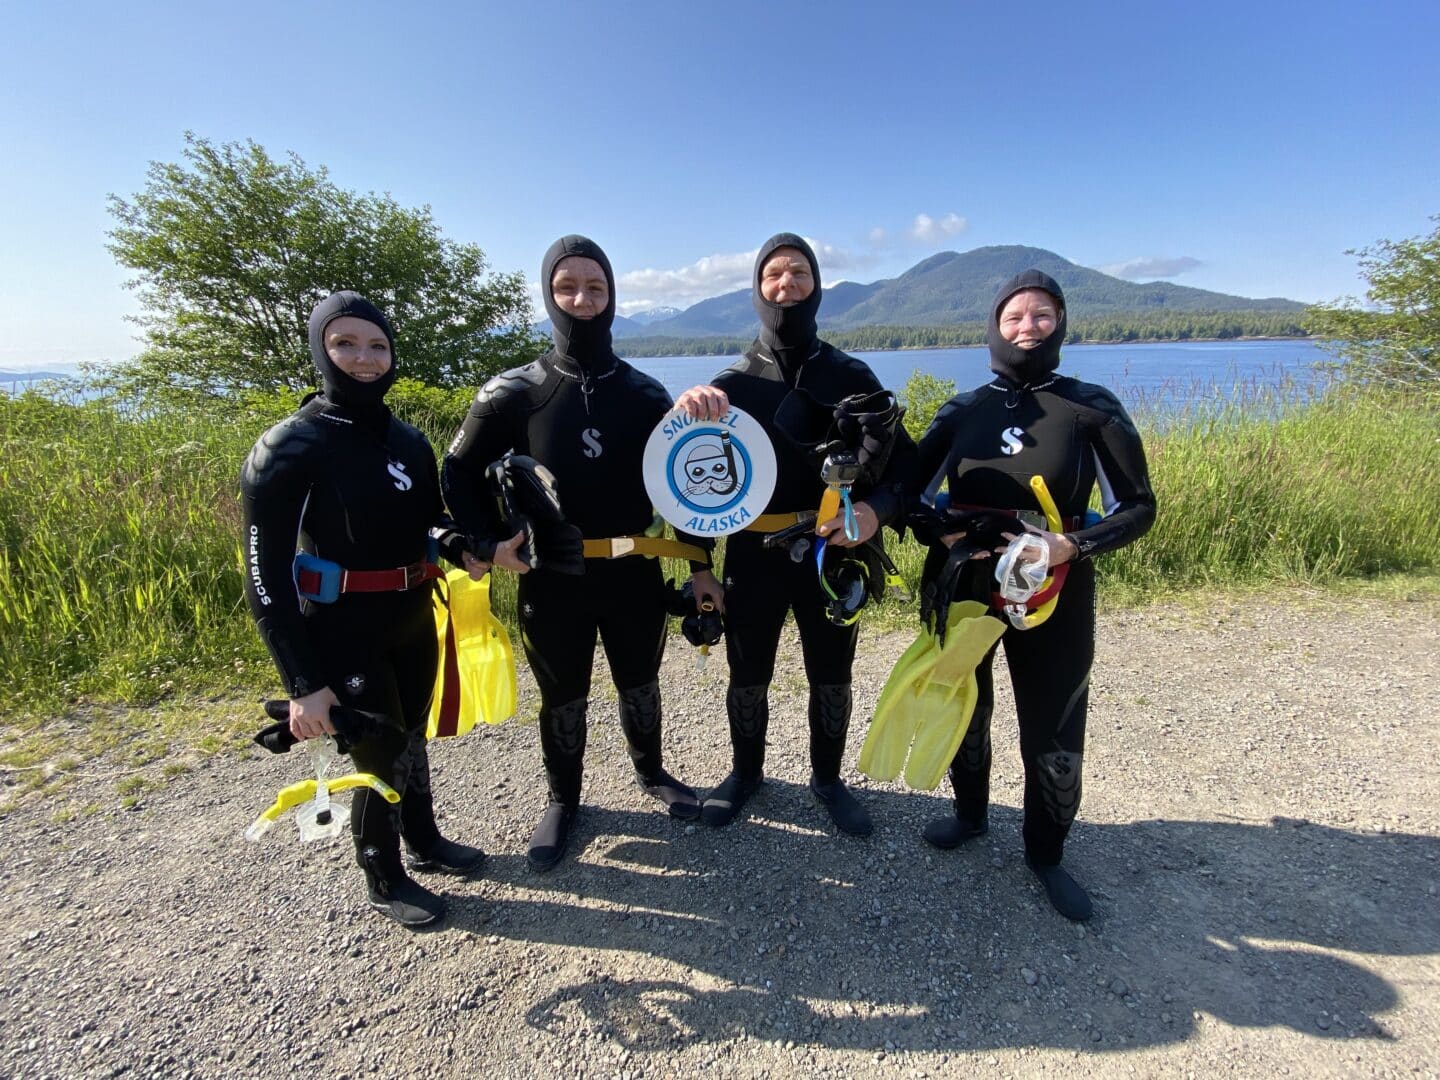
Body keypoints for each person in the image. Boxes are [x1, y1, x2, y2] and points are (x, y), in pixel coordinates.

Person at [442, 235, 713, 872]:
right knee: (563, 693)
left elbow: (689, 490)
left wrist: (701, 564)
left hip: (634, 571)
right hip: (552, 576)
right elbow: (457, 472)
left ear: (612, 295)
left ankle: (652, 774)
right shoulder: (514, 391)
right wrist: (486, 543)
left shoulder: (647, 394)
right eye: (568, 287)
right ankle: (564, 800)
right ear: (549, 294)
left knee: (640, 680)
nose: (582, 299)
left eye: (595, 287)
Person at [911, 269, 1156, 920]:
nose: (1027, 327)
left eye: (1042, 315)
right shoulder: (961, 411)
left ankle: (1046, 852)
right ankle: (969, 817)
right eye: (1015, 316)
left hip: (1056, 587)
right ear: (993, 325)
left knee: (1053, 723)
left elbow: (1137, 506)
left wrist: (1070, 546)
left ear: (1061, 324)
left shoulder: (1091, 407)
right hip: (966, 582)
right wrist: (949, 529)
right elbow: (908, 498)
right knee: (965, 706)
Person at [241, 291, 485, 928]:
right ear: (321, 348)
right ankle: (383, 874)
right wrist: (303, 685)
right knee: (375, 750)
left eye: (377, 345)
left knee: (410, 733)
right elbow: (264, 579)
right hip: (343, 629)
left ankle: (423, 840)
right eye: (345, 343)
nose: (364, 358)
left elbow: (432, 523)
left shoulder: (407, 439)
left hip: (412, 614)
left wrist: (471, 550)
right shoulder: (288, 447)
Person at [676, 233, 914, 837]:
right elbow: (686, 481)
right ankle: (746, 774)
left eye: (799, 273)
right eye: (774, 274)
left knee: (832, 671)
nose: (787, 285)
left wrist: (875, 516)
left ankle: (828, 780)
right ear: (758, 288)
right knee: (747, 668)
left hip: (831, 549)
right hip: (752, 552)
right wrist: (700, 563)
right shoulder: (726, 386)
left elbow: (904, 468)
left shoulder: (849, 373)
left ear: (817, 286)